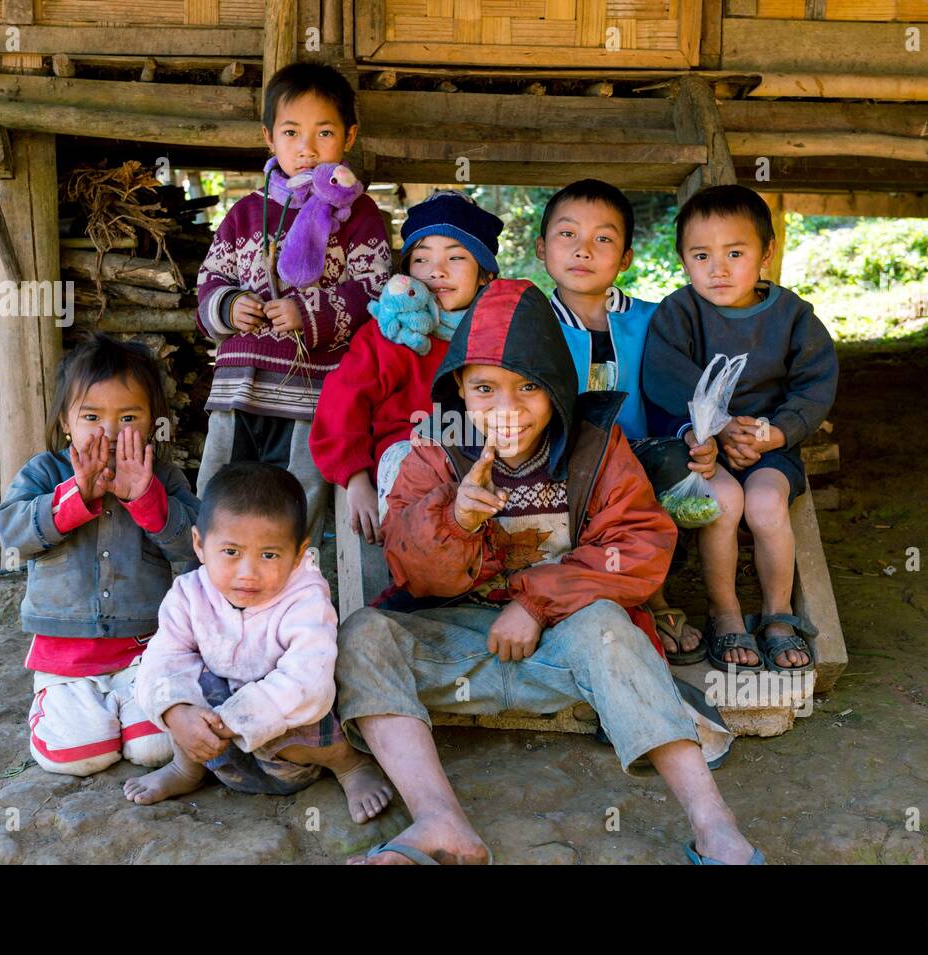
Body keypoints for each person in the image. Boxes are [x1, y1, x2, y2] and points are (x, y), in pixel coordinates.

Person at [335, 278, 753, 865]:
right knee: (361, 635)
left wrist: (535, 602)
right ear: (458, 385)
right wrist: (456, 519)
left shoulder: (595, 449)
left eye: (529, 387)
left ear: (558, 385)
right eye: (484, 389)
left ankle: (716, 827)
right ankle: (441, 822)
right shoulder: (433, 453)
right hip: (458, 652)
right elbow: (415, 575)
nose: (506, 411)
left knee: (611, 623)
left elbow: (639, 546)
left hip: (564, 651)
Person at [125, 462, 394, 823]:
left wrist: (238, 718)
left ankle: (349, 766)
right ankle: (186, 769)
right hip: (216, 740)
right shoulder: (189, 594)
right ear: (200, 545)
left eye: (269, 555)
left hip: (291, 745)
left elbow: (307, 682)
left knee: (305, 713)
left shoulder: (306, 597)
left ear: (299, 554)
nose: (247, 573)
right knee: (181, 690)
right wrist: (178, 714)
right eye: (231, 552)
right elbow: (163, 658)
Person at [643, 184, 838, 672]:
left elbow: (815, 385)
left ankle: (778, 615)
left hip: (768, 443)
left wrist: (778, 432)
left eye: (735, 252)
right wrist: (716, 428)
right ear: (683, 260)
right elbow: (665, 378)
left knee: (768, 504)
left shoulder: (793, 317)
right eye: (701, 255)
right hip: (702, 447)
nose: (718, 268)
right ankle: (725, 614)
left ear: (766, 252)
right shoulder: (679, 312)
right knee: (722, 504)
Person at [195, 61, 390, 541]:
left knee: (297, 501)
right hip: (239, 388)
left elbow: (374, 292)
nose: (306, 148)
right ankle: (215, 588)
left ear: (349, 135)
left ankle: (292, 591)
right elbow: (209, 279)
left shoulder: (360, 216)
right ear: (269, 138)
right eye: (291, 132)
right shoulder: (244, 213)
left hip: (311, 394)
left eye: (324, 132)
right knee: (219, 491)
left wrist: (310, 313)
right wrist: (228, 304)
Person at [0, 333, 200, 776]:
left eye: (128, 416)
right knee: (85, 755)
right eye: (92, 416)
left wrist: (148, 498)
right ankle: (53, 703)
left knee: (156, 749)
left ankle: (123, 713)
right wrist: (73, 496)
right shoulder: (44, 472)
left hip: (143, 652)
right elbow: (11, 534)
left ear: (151, 421)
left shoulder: (162, 477)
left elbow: (196, 546)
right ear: (67, 422)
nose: (109, 432)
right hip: (67, 659)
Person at [537, 178, 704, 664]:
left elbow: (675, 394)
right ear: (541, 247)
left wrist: (691, 432)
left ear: (626, 258)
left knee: (676, 466)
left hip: (641, 460)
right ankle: (627, 600)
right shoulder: (531, 326)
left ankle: (654, 595)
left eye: (603, 239)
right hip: (560, 461)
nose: (583, 250)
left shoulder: (655, 320)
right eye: (567, 235)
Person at [310, 190, 503, 544]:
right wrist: (355, 479)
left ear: (485, 275)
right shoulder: (390, 332)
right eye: (421, 259)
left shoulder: (499, 335)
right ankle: (424, 574)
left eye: (456, 257)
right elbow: (342, 401)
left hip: (483, 454)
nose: (436, 272)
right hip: (405, 458)